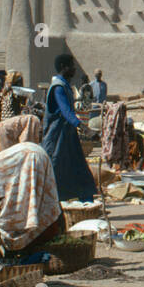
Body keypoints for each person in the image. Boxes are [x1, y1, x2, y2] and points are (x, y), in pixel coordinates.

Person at [0, 141, 65, 253]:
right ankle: (39, 242)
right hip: (30, 153)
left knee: (26, 209)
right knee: (37, 203)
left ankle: (29, 246)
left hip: (28, 158)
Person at [42, 54, 97, 202]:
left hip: (68, 136)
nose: (74, 69)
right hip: (57, 137)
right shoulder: (58, 87)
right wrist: (85, 129)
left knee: (80, 169)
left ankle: (87, 202)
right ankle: (51, 204)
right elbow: (66, 111)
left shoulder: (66, 86)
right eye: (71, 66)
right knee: (55, 170)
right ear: (63, 67)